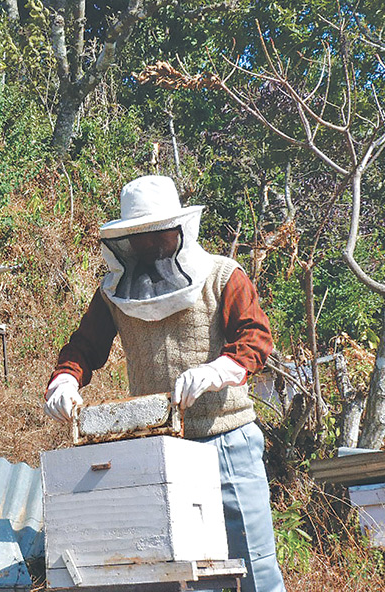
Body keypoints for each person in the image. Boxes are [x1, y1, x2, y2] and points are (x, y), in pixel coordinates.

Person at [44, 175, 285, 592]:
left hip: (225, 441)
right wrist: (65, 380)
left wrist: (217, 370)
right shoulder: (112, 294)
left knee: (255, 567)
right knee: (186, 574)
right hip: (160, 447)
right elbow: (84, 345)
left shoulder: (222, 275)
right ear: (127, 240)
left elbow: (256, 338)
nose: (153, 245)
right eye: (142, 236)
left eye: (160, 234)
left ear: (179, 229)